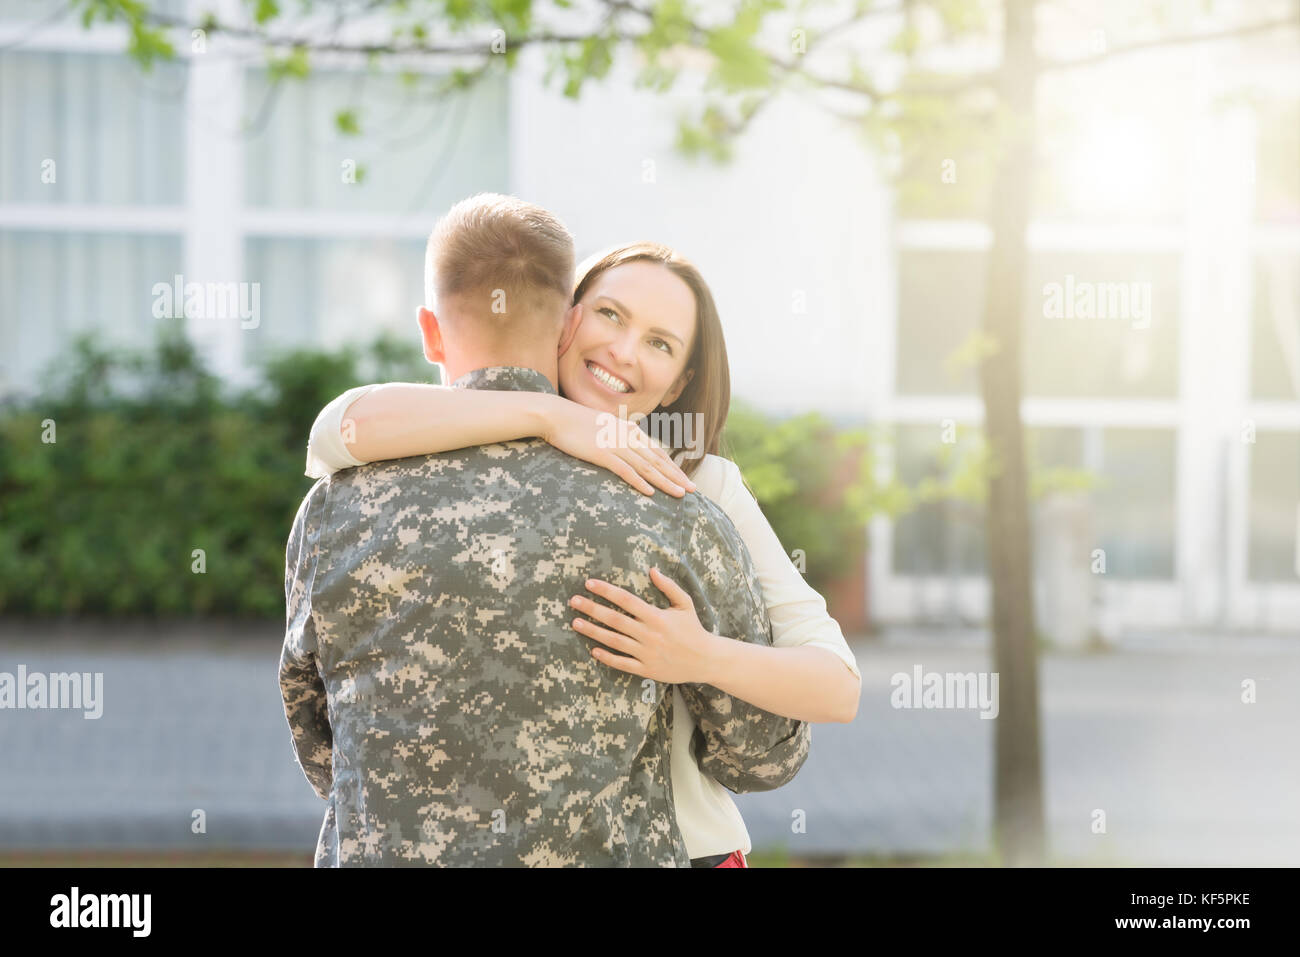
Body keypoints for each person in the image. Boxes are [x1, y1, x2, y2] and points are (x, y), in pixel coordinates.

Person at [279, 193, 811, 867]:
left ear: (429, 330)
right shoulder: (668, 506)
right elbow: (763, 754)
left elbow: (320, 740)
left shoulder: (333, 508)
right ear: (570, 325)